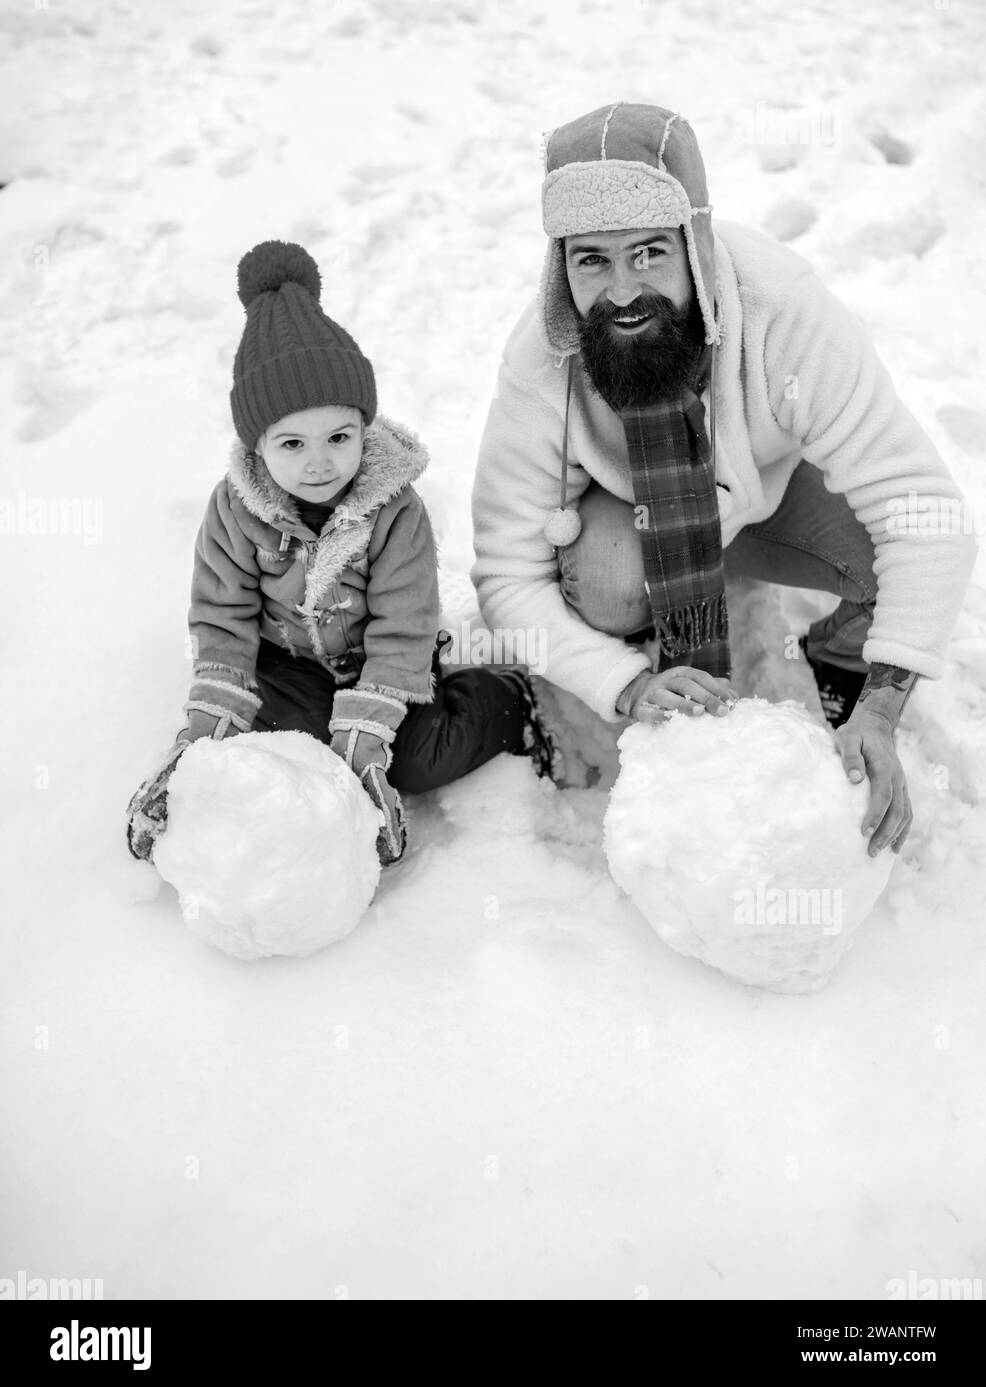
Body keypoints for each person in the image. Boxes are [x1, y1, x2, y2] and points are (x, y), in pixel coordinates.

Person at [471, 102, 976, 856]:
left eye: (649, 252)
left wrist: (881, 706)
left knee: (888, 553)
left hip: (765, 503)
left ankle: (839, 668)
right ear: (560, 264)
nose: (620, 292)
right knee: (607, 579)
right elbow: (508, 575)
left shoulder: (782, 308)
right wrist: (622, 682)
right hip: (632, 527)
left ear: (695, 244)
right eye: (592, 259)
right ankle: (653, 641)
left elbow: (927, 511)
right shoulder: (541, 364)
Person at [127, 240, 555, 867]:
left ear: (364, 428)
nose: (319, 461)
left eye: (338, 436)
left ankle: (505, 698)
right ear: (257, 447)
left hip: (383, 659)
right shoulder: (236, 510)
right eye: (292, 443)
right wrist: (209, 729)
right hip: (289, 664)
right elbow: (222, 615)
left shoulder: (393, 510)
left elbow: (404, 621)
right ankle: (222, 761)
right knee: (279, 747)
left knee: (418, 760)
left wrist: (372, 721)